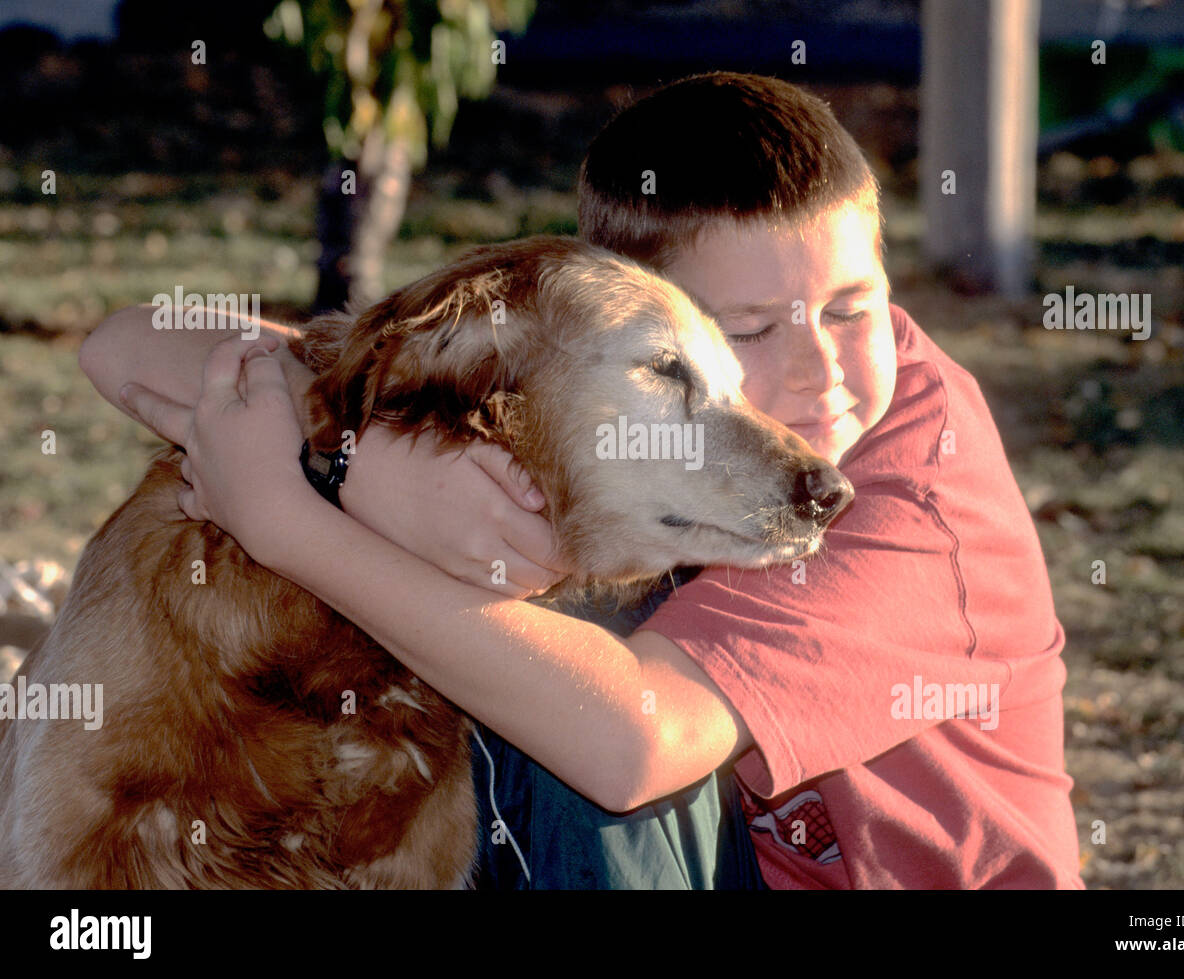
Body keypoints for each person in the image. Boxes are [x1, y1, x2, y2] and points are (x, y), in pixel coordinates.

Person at [80, 72, 1083, 889]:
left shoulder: (905, 485)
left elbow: (632, 745)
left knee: (564, 677)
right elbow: (126, 346)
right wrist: (366, 461)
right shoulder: (591, 393)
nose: (819, 367)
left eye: (852, 309)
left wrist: (292, 519)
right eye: (743, 333)